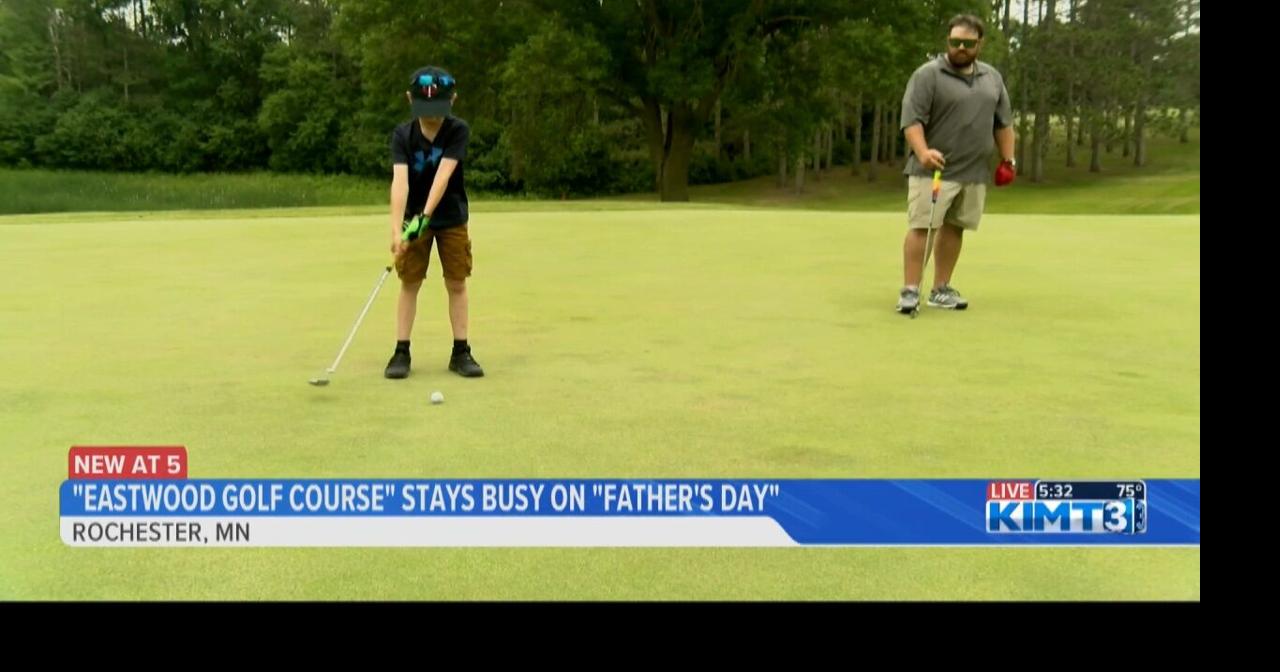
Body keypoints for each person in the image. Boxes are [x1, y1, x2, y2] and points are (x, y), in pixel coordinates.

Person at [896, 14, 1017, 314]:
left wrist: (1008, 160)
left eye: (968, 43)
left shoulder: (992, 78)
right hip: (934, 169)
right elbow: (912, 121)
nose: (961, 48)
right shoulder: (928, 75)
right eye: (955, 42)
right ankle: (911, 290)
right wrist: (922, 152)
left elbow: (1003, 124)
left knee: (955, 228)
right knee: (923, 227)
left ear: (980, 44)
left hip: (974, 171)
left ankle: (941, 289)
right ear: (947, 41)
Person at [384, 65, 484, 379]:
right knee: (409, 282)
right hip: (413, 218)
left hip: (451, 216)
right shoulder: (403, 135)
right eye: (425, 108)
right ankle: (401, 351)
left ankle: (461, 351)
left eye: (438, 107)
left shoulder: (458, 130)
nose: (432, 115)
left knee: (456, 281)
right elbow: (400, 183)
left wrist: (425, 218)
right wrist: (397, 229)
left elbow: (443, 177)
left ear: (452, 100)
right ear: (410, 99)